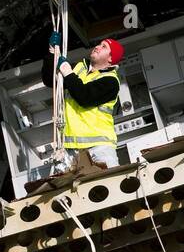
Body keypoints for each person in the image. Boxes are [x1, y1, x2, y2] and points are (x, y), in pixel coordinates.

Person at [43, 32, 124, 170]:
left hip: (99, 147)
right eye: (99, 44)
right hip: (71, 148)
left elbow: (85, 97)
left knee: (107, 183)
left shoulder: (111, 81)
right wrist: (52, 53)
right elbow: (50, 80)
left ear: (111, 59)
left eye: (104, 47)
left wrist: (67, 72)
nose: (97, 47)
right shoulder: (79, 67)